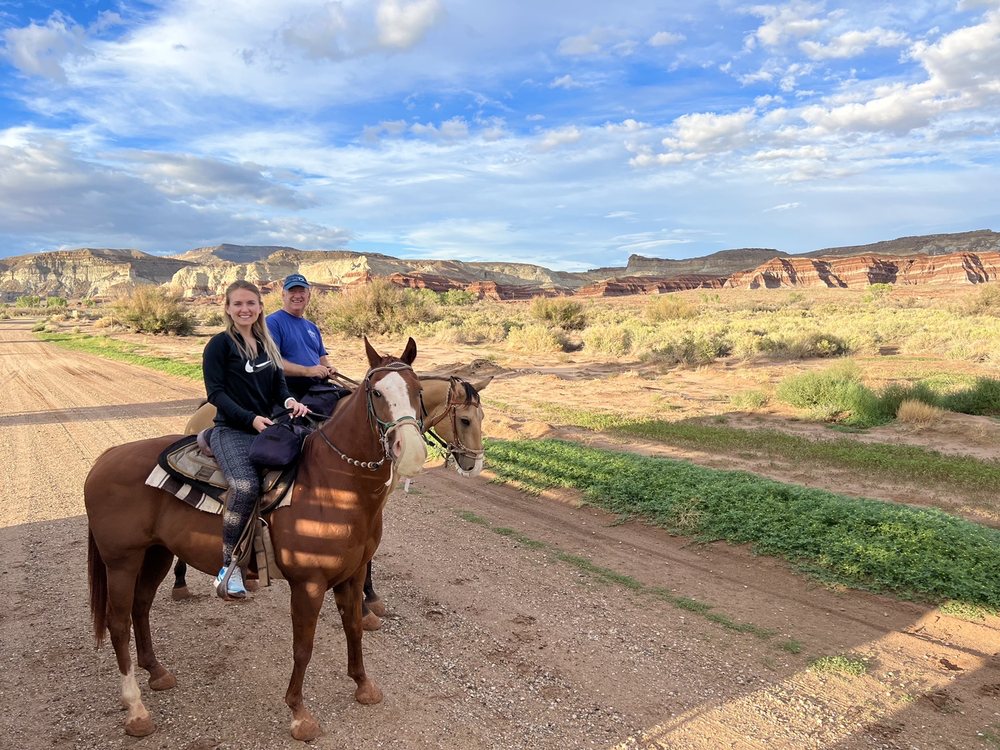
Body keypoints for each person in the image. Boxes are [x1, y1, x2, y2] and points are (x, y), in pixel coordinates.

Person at [203, 280, 309, 599]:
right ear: (227, 308)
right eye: (238, 304)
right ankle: (229, 568)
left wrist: (290, 403)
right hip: (231, 430)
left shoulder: (267, 344)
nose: (244, 309)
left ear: (260, 307)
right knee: (246, 486)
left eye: (251, 303)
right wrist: (249, 418)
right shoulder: (219, 345)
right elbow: (216, 394)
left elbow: (279, 388)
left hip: (267, 427)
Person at [266, 273, 338, 400]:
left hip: (316, 385)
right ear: (283, 295)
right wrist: (308, 371)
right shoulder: (272, 322)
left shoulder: (313, 327)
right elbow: (273, 363)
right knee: (293, 418)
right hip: (287, 387)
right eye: (292, 291)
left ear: (308, 296)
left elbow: (322, 360)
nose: (297, 296)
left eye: (302, 291)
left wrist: (329, 369)